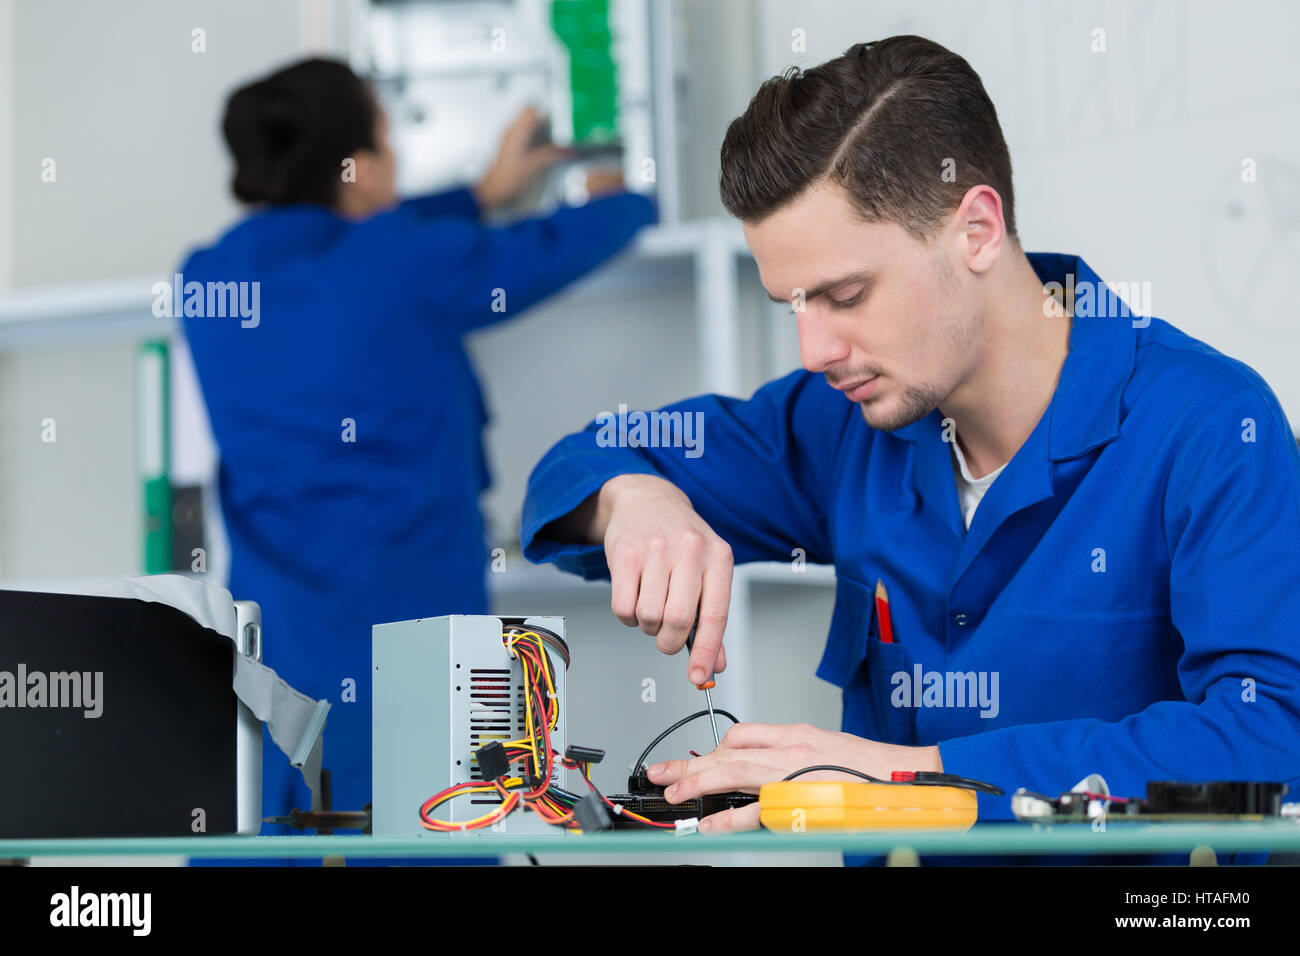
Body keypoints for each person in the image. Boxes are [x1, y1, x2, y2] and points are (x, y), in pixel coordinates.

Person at [519, 36, 1300, 865]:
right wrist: (635, 498)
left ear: (976, 229)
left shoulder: (1210, 429)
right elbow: (581, 464)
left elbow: (1274, 736)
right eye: (793, 305)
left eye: (845, 295)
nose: (814, 349)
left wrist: (909, 777)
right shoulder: (844, 423)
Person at [178, 57, 656, 862]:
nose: (396, 162)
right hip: (420, 644)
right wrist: (636, 197)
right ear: (355, 167)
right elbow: (547, 247)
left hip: (268, 643)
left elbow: (366, 245)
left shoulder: (205, 282)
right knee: (436, 841)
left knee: (247, 845)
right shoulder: (404, 264)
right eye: (386, 142)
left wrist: (476, 196)